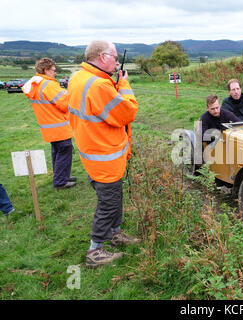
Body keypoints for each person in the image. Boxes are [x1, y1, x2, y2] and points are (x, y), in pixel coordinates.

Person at [68, 40, 140, 268]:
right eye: (115, 57)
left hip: (94, 152)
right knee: (108, 204)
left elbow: (101, 108)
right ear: (101, 57)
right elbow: (127, 113)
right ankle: (95, 250)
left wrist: (114, 85)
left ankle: (115, 234)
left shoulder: (78, 77)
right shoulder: (99, 86)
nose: (118, 62)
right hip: (104, 157)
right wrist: (125, 85)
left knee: (114, 198)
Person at [22, 58, 76, 190]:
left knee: (57, 152)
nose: (55, 73)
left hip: (49, 127)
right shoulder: (49, 85)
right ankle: (60, 182)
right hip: (59, 126)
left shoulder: (36, 83)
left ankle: (61, 177)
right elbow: (64, 105)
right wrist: (69, 93)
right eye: (53, 70)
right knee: (65, 150)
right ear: (45, 70)